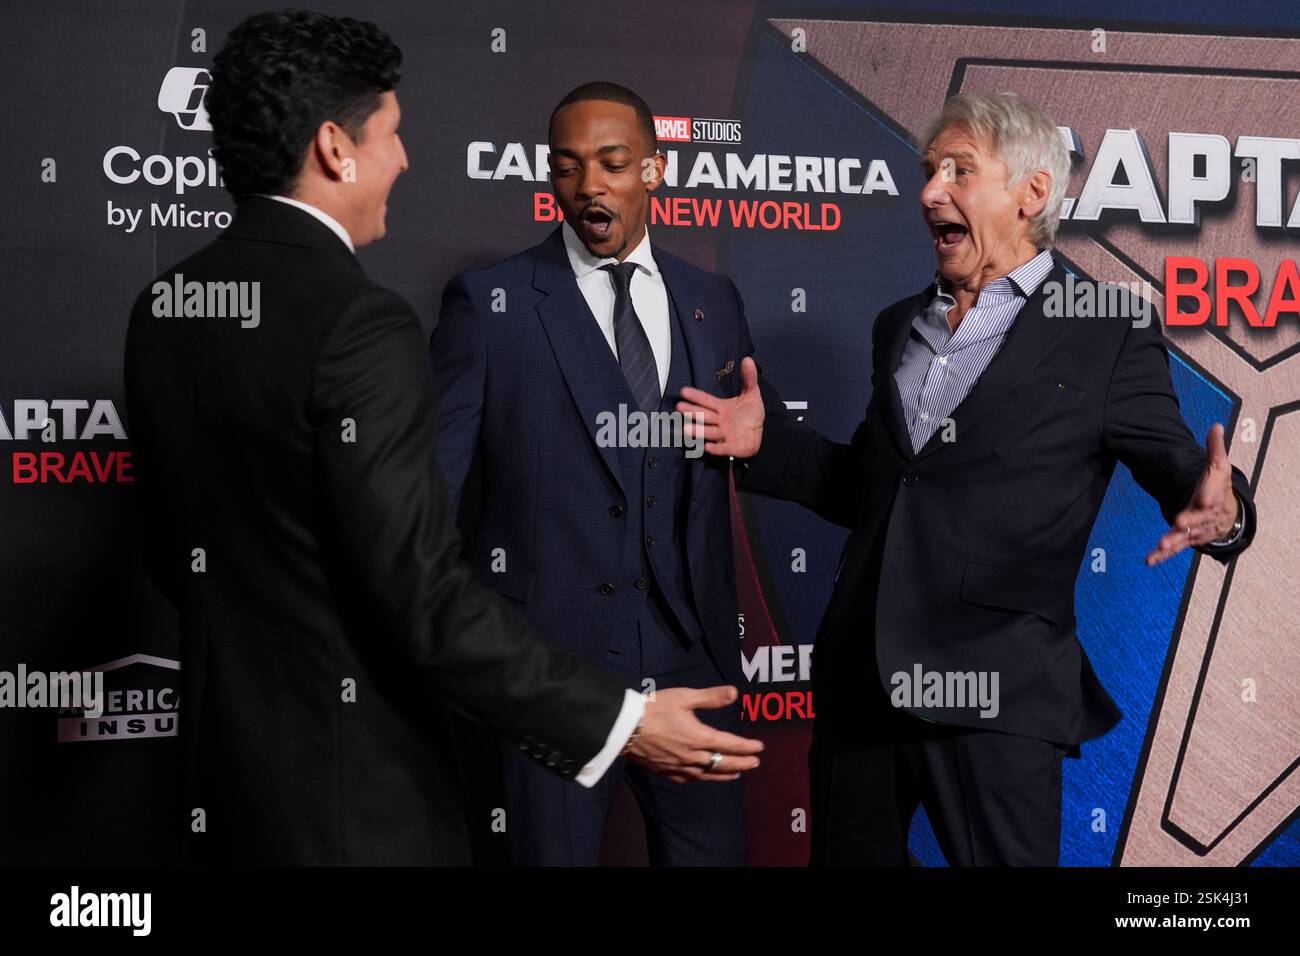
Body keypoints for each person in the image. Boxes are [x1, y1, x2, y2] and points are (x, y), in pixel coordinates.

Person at [123, 11, 760, 866]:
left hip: (234, 757)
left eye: (613, 164)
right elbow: (418, 570)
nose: (404, 159)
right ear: (334, 148)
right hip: (389, 760)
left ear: (653, 170)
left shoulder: (164, 306)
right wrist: (608, 716)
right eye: (391, 134)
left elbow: (174, 552)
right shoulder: (380, 320)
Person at [675, 92, 1256, 866]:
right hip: (864, 687)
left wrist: (1223, 512)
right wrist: (762, 444)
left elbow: (1181, 468)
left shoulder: (1105, 327)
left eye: (958, 170)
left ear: (1032, 192)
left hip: (998, 694)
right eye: (928, 171)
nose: (929, 191)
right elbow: (875, 492)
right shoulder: (897, 326)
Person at [430, 82, 783, 865]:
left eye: (613, 163)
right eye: (567, 166)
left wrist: (758, 441)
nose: (589, 185)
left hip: (692, 660)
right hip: (551, 676)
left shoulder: (713, 299)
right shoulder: (490, 305)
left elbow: (748, 433)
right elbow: (429, 506)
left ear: (654, 171)